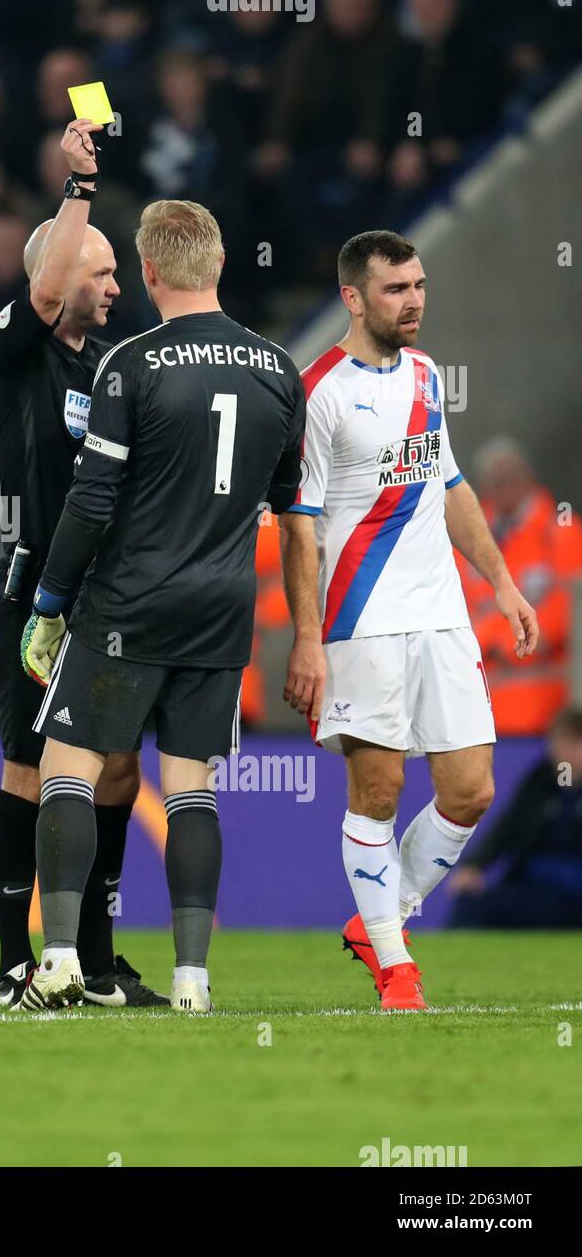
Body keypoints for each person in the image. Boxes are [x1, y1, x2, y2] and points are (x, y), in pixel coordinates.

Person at [20, 198, 305, 1012]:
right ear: (217, 265)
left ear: (148, 273)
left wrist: (48, 604)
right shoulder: (278, 370)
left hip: (128, 602)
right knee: (190, 789)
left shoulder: (132, 365)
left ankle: (64, 961)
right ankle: (192, 980)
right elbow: (289, 509)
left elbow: (91, 500)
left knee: (67, 768)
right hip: (220, 608)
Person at [281, 230, 540, 1011]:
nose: (414, 301)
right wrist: (304, 637)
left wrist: (499, 582)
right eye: (395, 289)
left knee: (469, 790)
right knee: (379, 786)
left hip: (442, 616)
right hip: (361, 618)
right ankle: (396, 968)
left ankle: (378, 919)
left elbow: (450, 485)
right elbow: (299, 524)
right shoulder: (319, 391)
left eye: (418, 285)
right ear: (352, 299)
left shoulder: (427, 375)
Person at [0, 119, 167, 1010]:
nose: (114, 284)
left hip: (106, 597)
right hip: (30, 593)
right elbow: (49, 287)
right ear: (51, 279)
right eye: (99, 270)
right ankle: (16, 962)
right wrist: (79, 186)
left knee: (115, 772)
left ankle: (94, 959)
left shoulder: (113, 369)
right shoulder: (15, 352)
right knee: (29, 771)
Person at [458, 437, 582, 736]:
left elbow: (569, 613)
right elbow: (453, 611)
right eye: (497, 481)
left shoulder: (562, 532)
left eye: (512, 477)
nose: (506, 487)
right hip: (479, 716)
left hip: (548, 718)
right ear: (484, 486)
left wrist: (506, 641)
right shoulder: (466, 540)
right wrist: (492, 638)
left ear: (528, 478)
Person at [449, 707, 582, 929]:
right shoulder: (541, 780)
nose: (564, 751)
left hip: (575, 889)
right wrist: (475, 865)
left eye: (573, 743)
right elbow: (508, 827)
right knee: (472, 903)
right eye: (560, 742)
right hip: (535, 886)